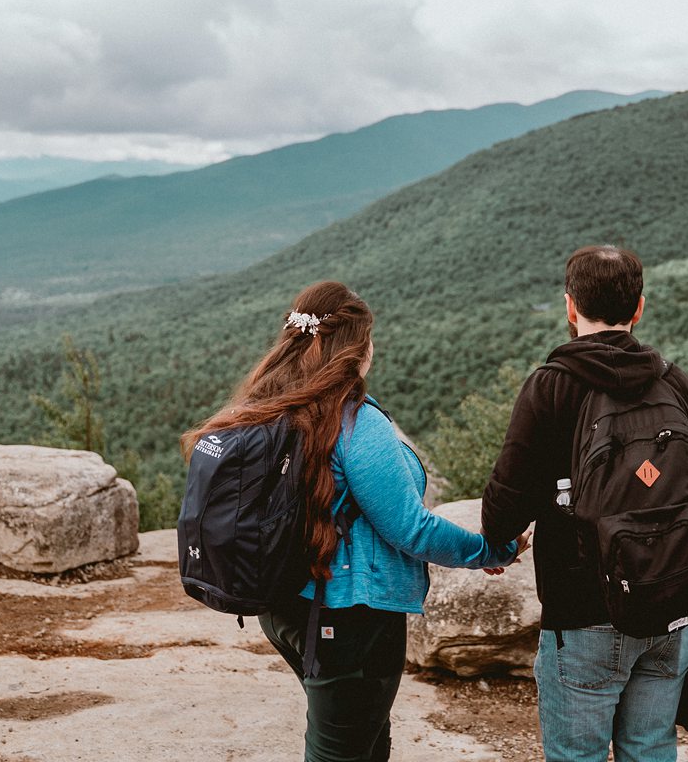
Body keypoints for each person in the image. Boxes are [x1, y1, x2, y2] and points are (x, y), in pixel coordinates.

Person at [182, 279, 523, 762]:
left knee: (363, 739)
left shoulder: (264, 407)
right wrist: (490, 549)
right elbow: (411, 528)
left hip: (285, 607)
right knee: (341, 751)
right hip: (348, 616)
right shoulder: (353, 421)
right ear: (355, 349)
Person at [482, 245, 688, 762]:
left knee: (577, 754)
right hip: (672, 607)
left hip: (583, 612)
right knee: (650, 746)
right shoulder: (675, 383)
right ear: (638, 308)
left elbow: (502, 509)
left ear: (570, 306)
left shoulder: (550, 388)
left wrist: (502, 542)